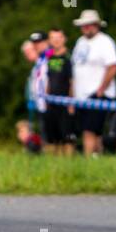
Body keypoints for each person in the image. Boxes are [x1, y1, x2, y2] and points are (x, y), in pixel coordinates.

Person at [69, 9, 116, 156]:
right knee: (94, 132)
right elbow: (75, 69)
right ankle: (97, 159)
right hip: (81, 96)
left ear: (97, 25)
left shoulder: (105, 42)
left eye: (90, 25)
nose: (86, 28)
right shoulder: (80, 42)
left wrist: (101, 89)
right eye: (84, 25)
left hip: (97, 94)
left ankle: (87, 160)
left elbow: (113, 66)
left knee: (89, 131)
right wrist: (72, 96)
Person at [41, 28, 75, 156]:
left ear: (64, 39)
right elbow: (49, 79)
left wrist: (71, 102)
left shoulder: (69, 57)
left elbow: (72, 81)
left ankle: (68, 164)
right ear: (49, 40)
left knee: (67, 136)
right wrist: (46, 98)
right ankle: (53, 165)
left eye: (58, 37)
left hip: (65, 102)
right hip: (51, 102)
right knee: (52, 136)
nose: (56, 41)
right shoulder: (49, 57)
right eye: (53, 38)